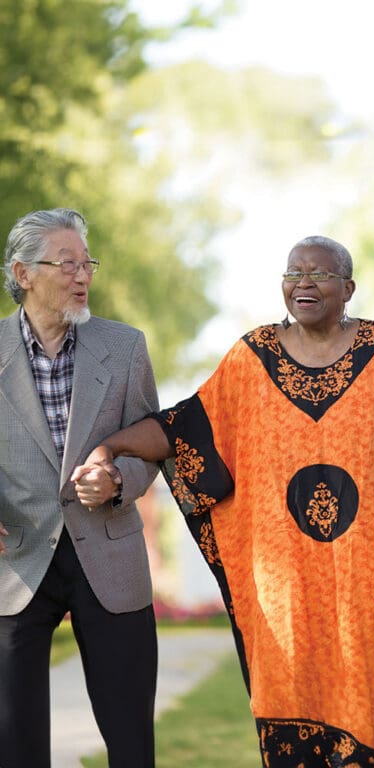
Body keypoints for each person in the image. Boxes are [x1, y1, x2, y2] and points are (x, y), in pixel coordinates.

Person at [72, 235, 374, 767]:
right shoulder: (251, 358)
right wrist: (112, 444)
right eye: (294, 272)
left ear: (349, 288)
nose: (304, 282)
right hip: (288, 592)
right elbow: (188, 428)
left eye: (321, 274)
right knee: (297, 696)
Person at [0, 208, 160, 768]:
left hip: (110, 556)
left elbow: (154, 444)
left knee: (131, 741)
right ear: (23, 274)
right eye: (65, 262)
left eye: (86, 261)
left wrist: (118, 478)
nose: (81, 274)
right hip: (15, 563)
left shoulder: (124, 347)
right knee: (12, 741)